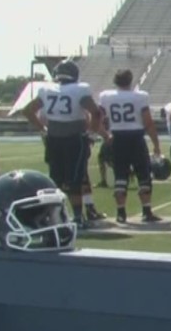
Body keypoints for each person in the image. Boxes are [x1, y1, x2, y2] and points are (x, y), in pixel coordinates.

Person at [22, 60, 109, 228]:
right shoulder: (80, 89)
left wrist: (43, 129)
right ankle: (77, 217)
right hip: (74, 138)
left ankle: (54, 216)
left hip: (53, 138)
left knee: (56, 179)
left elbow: (28, 111)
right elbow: (96, 112)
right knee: (76, 179)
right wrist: (91, 133)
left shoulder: (46, 89)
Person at [98, 69, 162, 224]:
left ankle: (121, 213)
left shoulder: (106, 96)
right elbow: (148, 122)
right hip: (135, 138)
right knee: (143, 175)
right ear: (131, 80)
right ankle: (146, 211)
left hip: (117, 139)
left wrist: (105, 135)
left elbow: (96, 120)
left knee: (120, 176)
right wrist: (156, 144)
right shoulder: (140, 97)